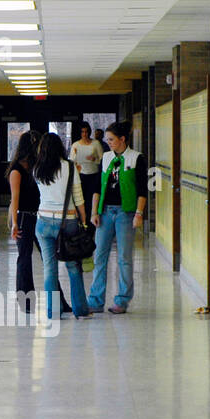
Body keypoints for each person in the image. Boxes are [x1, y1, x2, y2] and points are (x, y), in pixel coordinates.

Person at [7, 130, 70, 314]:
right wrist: (14, 222)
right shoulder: (16, 170)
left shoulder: (39, 167)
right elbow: (15, 198)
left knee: (49, 260)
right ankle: (26, 302)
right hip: (25, 217)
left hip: (41, 216)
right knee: (24, 258)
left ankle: (60, 302)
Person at [87, 120, 147, 314]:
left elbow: (142, 190)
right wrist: (94, 212)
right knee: (100, 256)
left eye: (112, 139)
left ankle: (122, 300)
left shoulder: (136, 158)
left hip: (125, 212)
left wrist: (139, 213)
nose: (109, 142)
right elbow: (97, 187)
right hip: (105, 212)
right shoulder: (105, 158)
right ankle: (95, 301)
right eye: (107, 140)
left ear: (122, 139)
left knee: (124, 257)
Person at [31, 132, 91, 321]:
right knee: (73, 266)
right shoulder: (69, 167)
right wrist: (84, 220)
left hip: (43, 222)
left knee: (50, 269)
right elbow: (78, 197)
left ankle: (52, 312)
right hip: (68, 222)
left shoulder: (37, 169)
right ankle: (80, 309)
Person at [68, 122, 103, 216]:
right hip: (81, 175)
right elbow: (71, 162)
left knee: (93, 199)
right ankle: (83, 221)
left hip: (93, 175)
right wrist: (76, 157)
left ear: (89, 132)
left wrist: (94, 159)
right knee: (81, 199)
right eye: (82, 132)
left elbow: (102, 160)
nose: (84, 134)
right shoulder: (75, 145)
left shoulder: (96, 143)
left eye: (86, 132)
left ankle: (93, 219)